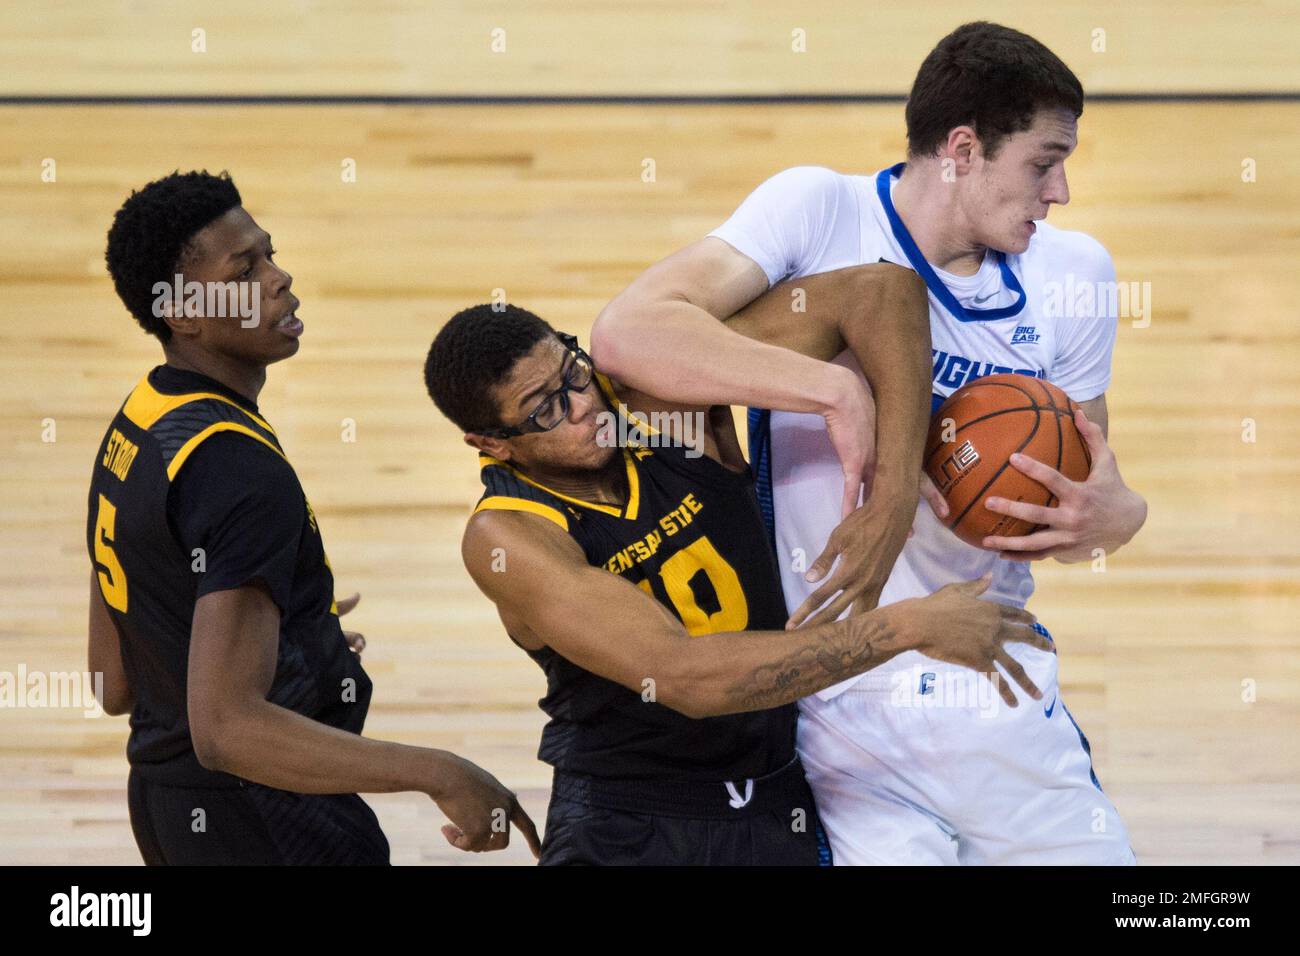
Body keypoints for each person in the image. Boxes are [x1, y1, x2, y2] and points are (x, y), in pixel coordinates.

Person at [592, 22, 1146, 864]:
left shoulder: (1077, 276)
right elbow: (628, 338)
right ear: (962, 148)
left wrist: (1117, 516)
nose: (1061, 190)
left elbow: (1080, 500)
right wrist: (835, 388)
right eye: (1043, 161)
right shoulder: (820, 210)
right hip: (836, 689)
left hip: (988, 667)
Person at [424, 270, 1051, 865]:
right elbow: (686, 679)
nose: (583, 406)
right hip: (629, 821)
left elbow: (880, 291)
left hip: (776, 796)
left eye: (573, 372)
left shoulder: (656, 397)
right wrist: (906, 628)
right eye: (545, 409)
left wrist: (891, 495)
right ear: (493, 444)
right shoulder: (510, 536)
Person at [89, 170, 538, 864]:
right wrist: (440, 772)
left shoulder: (138, 426)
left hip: (165, 811)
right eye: (246, 269)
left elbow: (114, 682)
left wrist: (299, 644)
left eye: (269, 253)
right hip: (270, 822)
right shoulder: (239, 471)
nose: (280, 277)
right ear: (181, 312)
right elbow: (226, 730)